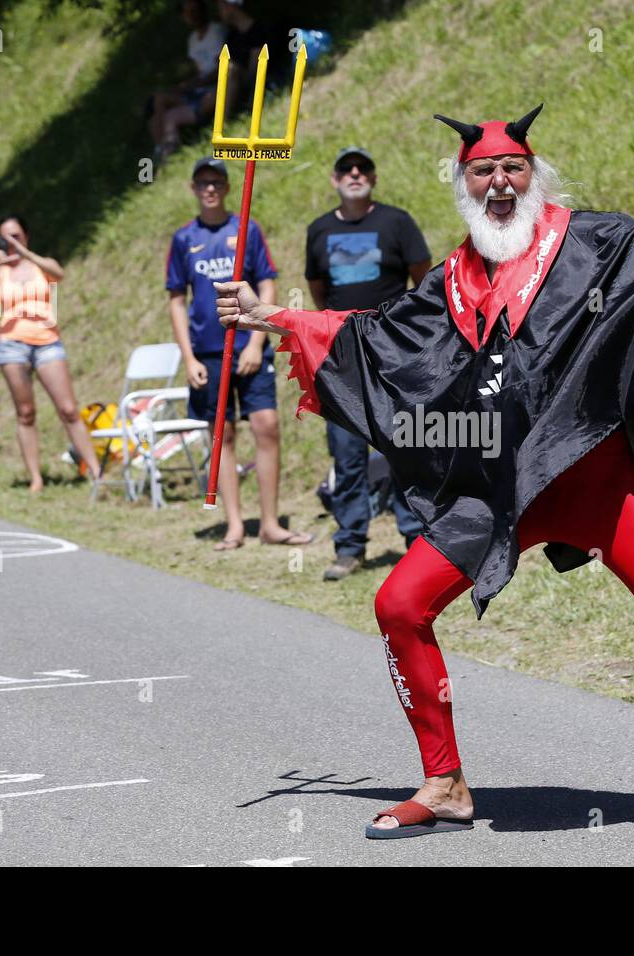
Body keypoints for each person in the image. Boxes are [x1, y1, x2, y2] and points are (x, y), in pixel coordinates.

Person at [217, 105, 634, 846]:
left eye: (512, 169)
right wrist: (275, 318)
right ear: (464, 184)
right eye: (484, 172)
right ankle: (443, 785)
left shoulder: (593, 243)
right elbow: (377, 334)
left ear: (532, 177)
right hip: (499, 492)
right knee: (399, 604)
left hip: (596, 480)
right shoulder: (452, 278)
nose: (499, 183)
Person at [167, 156, 313, 549]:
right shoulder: (184, 239)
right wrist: (189, 357)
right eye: (202, 183)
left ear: (228, 187)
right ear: (194, 189)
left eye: (216, 182)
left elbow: (266, 284)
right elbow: (177, 300)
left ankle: (269, 523)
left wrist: (256, 342)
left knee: (266, 425)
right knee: (222, 434)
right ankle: (234, 525)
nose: (210, 188)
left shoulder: (246, 228)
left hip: (248, 348)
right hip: (209, 352)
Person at [305, 146, 431, 581]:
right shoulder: (318, 230)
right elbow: (317, 290)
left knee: (403, 448)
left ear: (373, 179)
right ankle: (350, 546)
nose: (355, 173)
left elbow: (423, 281)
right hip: (340, 361)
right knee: (347, 455)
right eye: (346, 169)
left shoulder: (396, 222)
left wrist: (404, 335)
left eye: (363, 168)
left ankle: (417, 540)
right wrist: (339, 330)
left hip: (393, 358)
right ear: (334, 179)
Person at [0, 215, 101, 493]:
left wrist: (25, 254)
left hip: (47, 341)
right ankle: (36, 478)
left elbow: (59, 273)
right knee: (25, 412)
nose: (12, 242)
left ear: (26, 236)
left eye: (16, 235)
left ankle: (96, 471)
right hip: (12, 344)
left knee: (69, 409)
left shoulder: (40, 265)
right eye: (6, 237)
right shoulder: (0, 270)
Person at [149, 0, 227, 164]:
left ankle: (165, 151)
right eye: (188, 13)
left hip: (212, 87)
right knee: (158, 100)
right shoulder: (192, 39)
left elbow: (223, 68)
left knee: (166, 114)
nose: (194, 16)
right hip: (198, 89)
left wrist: (196, 83)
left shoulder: (217, 31)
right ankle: (162, 149)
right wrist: (187, 83)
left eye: (196, 10)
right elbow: (198, 70)